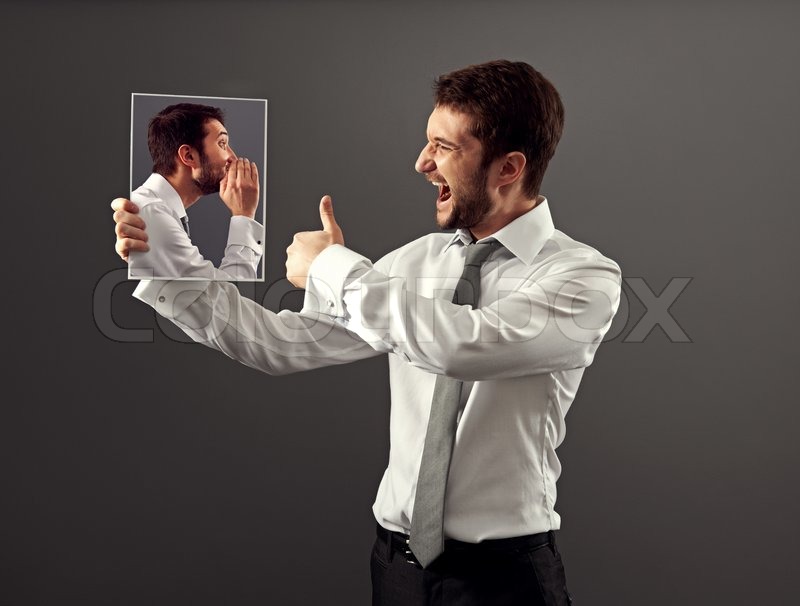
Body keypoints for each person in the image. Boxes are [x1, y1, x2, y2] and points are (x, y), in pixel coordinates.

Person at [112, 60, 621, 606]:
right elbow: (281, 345)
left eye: (443, 147)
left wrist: (334, 268)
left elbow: (461, 346)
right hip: (395, 570)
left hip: (506, 580)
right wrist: (163, 265)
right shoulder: (411, 263)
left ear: (508, 167)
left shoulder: (582, 277)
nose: (422, 163)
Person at [124, 102, 262, 280]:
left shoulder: (157, 210)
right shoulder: (150, 212)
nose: (233, 157)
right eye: (222, 143)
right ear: (188, 156)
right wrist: (244, 216)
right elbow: (223, 302)